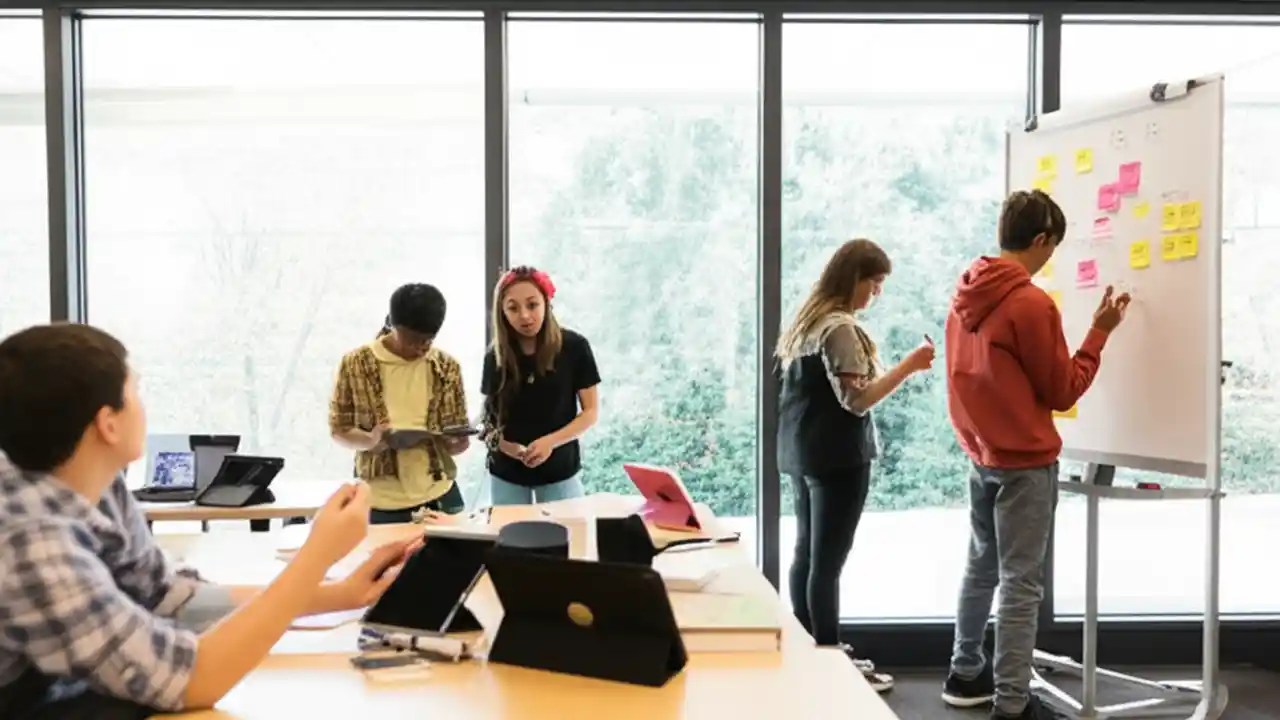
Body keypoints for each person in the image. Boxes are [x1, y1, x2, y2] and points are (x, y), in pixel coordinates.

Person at [0, 323, 411, 720]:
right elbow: (188, 680)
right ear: (108, 424)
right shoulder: (32, 546)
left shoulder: (88, 478)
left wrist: (340, 593)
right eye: (136, 390)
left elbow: (171, 599)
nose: (144, 403)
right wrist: (317, 556)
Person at [942, 190, 1130, 720]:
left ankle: (964, 673)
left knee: (981, 571)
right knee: (1021, 585)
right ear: (1042, 239)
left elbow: (962, 378)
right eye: (1054, 247)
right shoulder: (1030, 302)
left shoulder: (966, 290)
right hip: (1024, 464)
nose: (1053, 259)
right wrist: (1100, 332)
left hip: (981, 456)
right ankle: (1012, 704)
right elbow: (1063, 390)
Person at [775, 238, 935, 694]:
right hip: (839, 459)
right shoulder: (840, 329)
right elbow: (857, 400)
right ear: (855, 280)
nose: (876, 294)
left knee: (807, 556)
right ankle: (831, 664)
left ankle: (812, 654)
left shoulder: (804, 326)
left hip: (802, 454)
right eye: (875, 283)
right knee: (827, 564)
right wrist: (909, 366)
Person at [330, 283, 471, 523]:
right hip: (379, 501)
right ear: (393, 326)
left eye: (427, 340)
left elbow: (458, 439)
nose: (420, 348)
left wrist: (456, 443)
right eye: (412, 340)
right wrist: (370, 439)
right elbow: (338, 429)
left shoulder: (447, 367)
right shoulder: (356, 364)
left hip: (438, 495)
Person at [480, 266, 600, 506]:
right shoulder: (495, 356)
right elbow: (487, 419)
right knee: (510, 540)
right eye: (513, 308)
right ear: (502, 312)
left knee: (568, 539)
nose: (524, 316)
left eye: (532, 305)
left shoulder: (575, 347)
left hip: (560, 471)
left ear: (546, 304)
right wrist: (507, 447)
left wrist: (550, 442)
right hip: (506, 472)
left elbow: (590, 413)